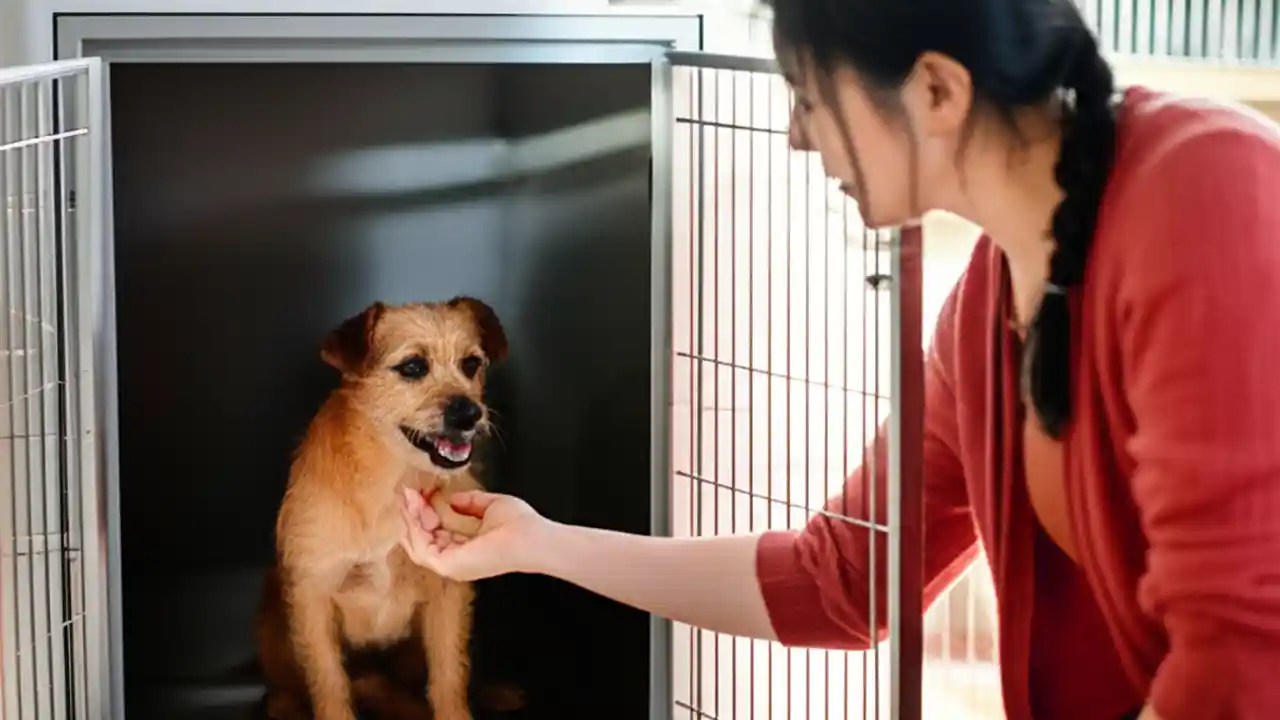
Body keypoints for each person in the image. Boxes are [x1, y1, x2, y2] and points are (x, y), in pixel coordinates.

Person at [398, 0, 1280, 718]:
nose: (796, 138)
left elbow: (1239, 663)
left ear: (935, 90)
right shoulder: (984, 305)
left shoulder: (1204, 193)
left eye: (811, 98)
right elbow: (845, 582)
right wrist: (543, 545)